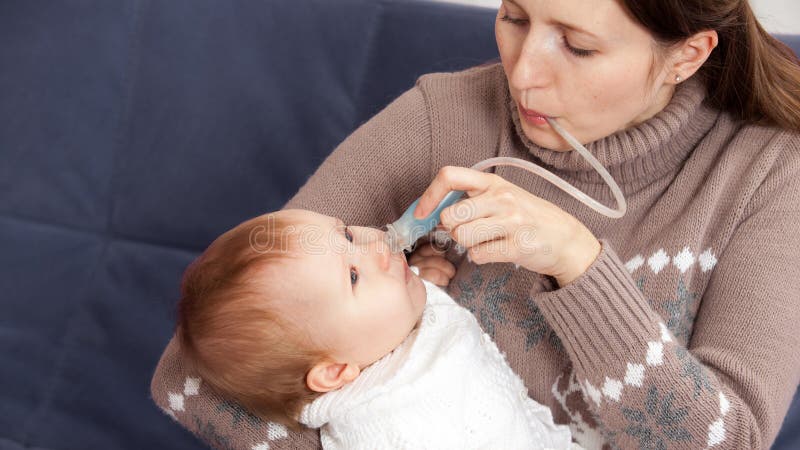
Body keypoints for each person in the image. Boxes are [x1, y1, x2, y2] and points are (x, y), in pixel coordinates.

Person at [275, 0, 800, 448]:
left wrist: (580, 265)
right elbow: (206, 368)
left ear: (686, 56)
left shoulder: (768, 177)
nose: (522, 75)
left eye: (577, 46)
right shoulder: (443, 118)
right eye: (515, 17)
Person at [175, 209, 579, 449]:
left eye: (347, 233)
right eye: (353, 276)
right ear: (334, 372)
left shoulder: (369, 333)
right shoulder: (383, 428)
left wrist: (420, 281)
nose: (376, 248)